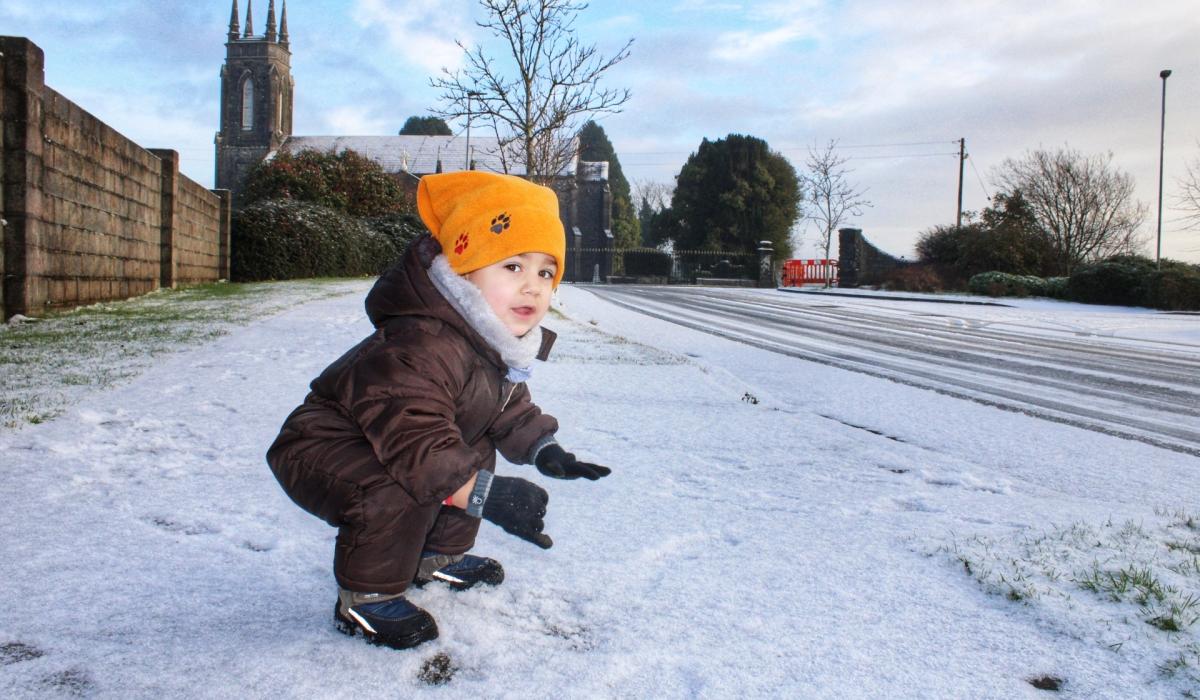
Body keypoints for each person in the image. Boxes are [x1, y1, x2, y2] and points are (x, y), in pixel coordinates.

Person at [266, 171, 610, 650]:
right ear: (465, 270)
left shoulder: (487, 340)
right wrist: (488, 495)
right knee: (401, 481)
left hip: (395, 444)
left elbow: (505, 408)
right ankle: (364, 599)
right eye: (512, 267)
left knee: (473, 444)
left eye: (545, 272)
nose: (532, 286)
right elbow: (415, 440)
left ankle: (436, 558)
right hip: (325, 447)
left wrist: (545, 449)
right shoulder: (421, 342)